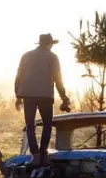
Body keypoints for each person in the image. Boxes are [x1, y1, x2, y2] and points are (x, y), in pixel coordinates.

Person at [15, 33, 71, 167]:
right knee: (47, 124)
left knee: (30, 126)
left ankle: (35, 156)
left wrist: (18, 96)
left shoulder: (26, 56)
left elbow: (18, 77)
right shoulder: (52, 57)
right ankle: (43, 155)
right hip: (45, 96)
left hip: (28, 95)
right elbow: (58, 79)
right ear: (50, 44)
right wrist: (64, 97)